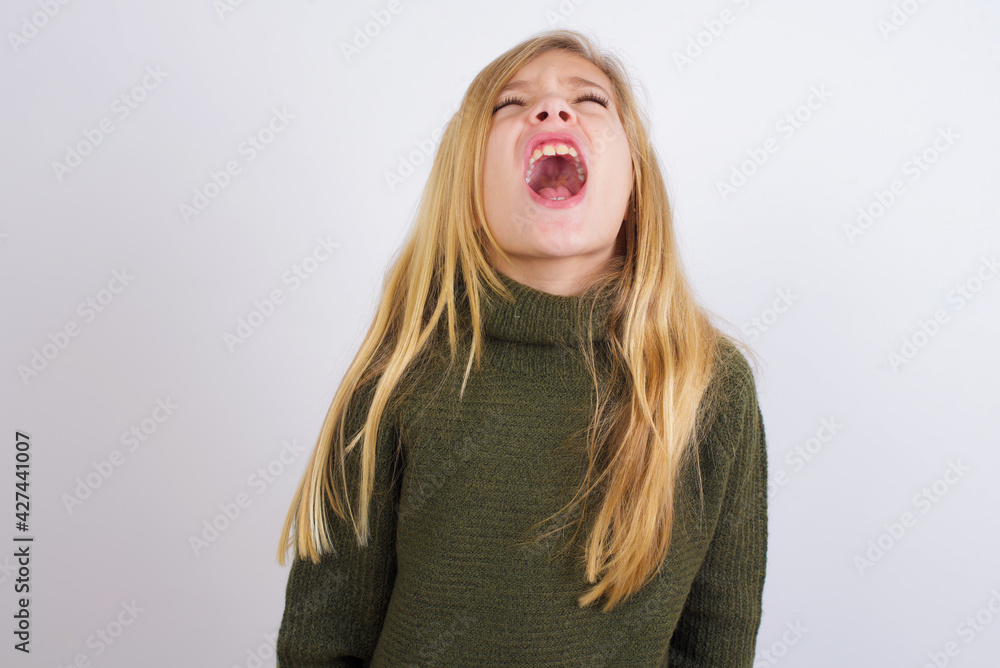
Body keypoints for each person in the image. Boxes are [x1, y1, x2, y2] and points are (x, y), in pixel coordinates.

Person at [275, 28, 768, 667]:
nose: (551, 109)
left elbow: (714, 646)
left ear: (634, 179)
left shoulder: (707, 383)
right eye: (510, 105)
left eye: (590, 100)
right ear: (468, 183)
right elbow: (323, 643)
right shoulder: (399, 374)